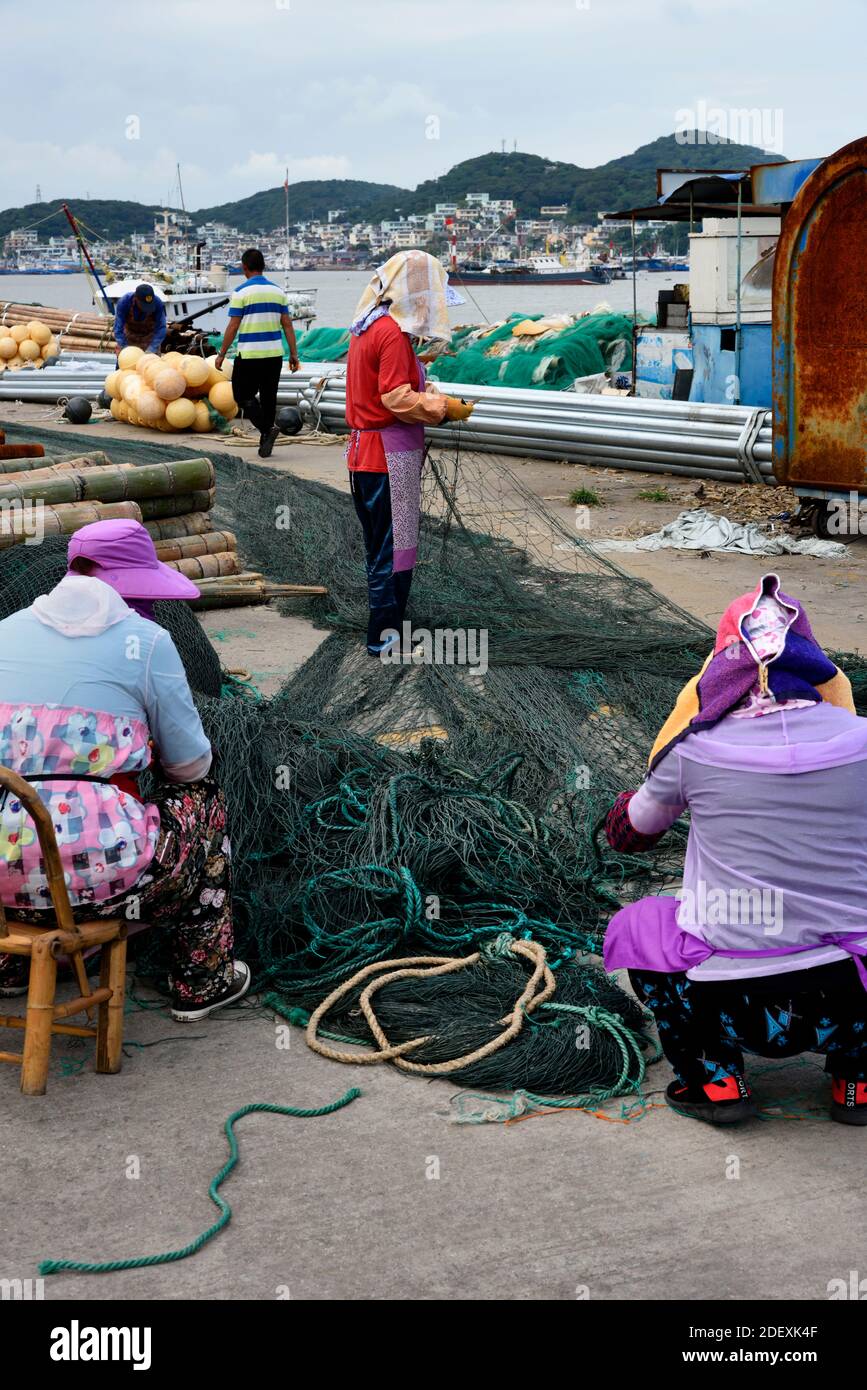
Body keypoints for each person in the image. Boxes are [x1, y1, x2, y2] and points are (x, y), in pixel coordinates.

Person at [602, 573, 867, 1126]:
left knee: (637, 924)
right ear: (814, 661)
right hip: (853, 992)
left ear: (721, 669)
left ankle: (716, 1080)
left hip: (730, 997)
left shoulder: (695, 750)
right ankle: (857, 1082)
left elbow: (631, 834)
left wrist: (641, 794)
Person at [0, 519, 249, 1022]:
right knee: (204, 803)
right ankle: (203, 977)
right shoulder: (147, 640)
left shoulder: (5, 632)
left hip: (3, 880)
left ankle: (12, 962)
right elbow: (190, 765)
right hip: (105, 880)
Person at [345, 249, 474, 656]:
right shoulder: (393, 334)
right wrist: (443, 408)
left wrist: (426, 388)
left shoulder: (367, 326)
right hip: (388, 456)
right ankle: (384, 638)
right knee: (395, 548)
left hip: (363, 453)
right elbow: (396, 396)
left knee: (379, 545)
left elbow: (388, 384)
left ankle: (384, 627)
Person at [214, 248, 301, 459]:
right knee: (269, 399)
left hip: (250, 355)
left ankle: (266, 430)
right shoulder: (278, 292)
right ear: (263, 266)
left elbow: (233, 326)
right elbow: (288, 325)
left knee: (242, 396)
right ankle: (265, 443)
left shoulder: (241, 292)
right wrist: (294, 354)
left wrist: (222, 354)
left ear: (245, 268)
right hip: (273, 356)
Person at [114, 283, 167, 354]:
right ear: (136, 298)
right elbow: (118, 329)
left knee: (152, 363)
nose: (146, 308)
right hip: (129, 337)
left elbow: (161, 328)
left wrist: (152, 348)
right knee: (125, 361)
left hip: (149, 338)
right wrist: (124, 347)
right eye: (144, 305)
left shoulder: (157, 303)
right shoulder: (124, 302)